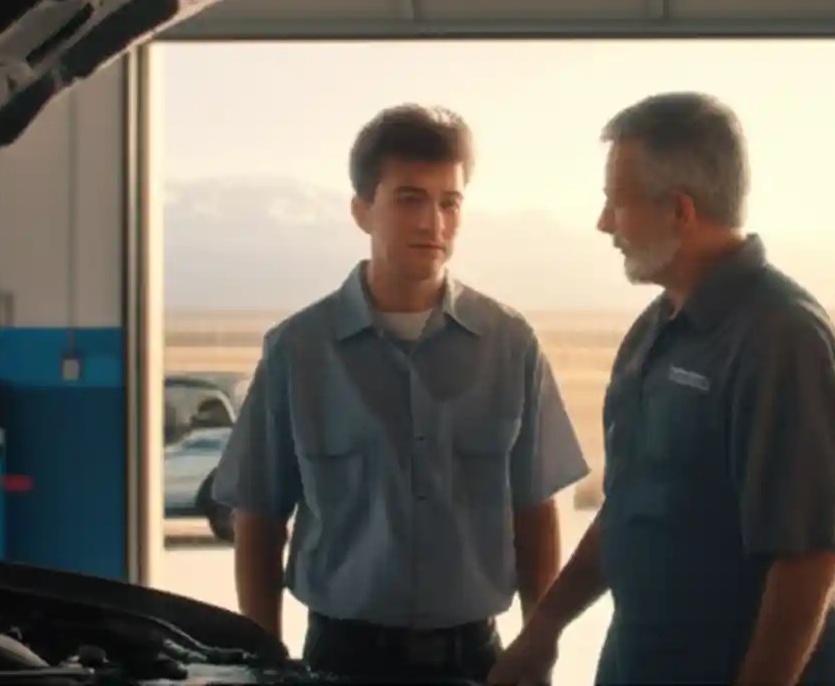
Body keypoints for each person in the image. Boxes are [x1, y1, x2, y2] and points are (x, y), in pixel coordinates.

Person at [212, 104, 590, 683]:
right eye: (410, 199)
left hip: (474, 661)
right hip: (340, 660)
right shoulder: (299, 350)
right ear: (363, 210)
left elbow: (535, 512)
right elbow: (259, 519)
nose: (433, 224)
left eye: (449, 202)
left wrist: (538, 646)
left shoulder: (509, 344)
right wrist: (264, 663)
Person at [489, 92, 835, 686]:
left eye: (617, 204)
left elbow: (807, 556)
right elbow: (631, 504)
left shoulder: (780, 336)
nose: (604, 224)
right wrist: (544, 628)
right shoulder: (655, 330)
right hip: (643, 659)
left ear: (680, 211)